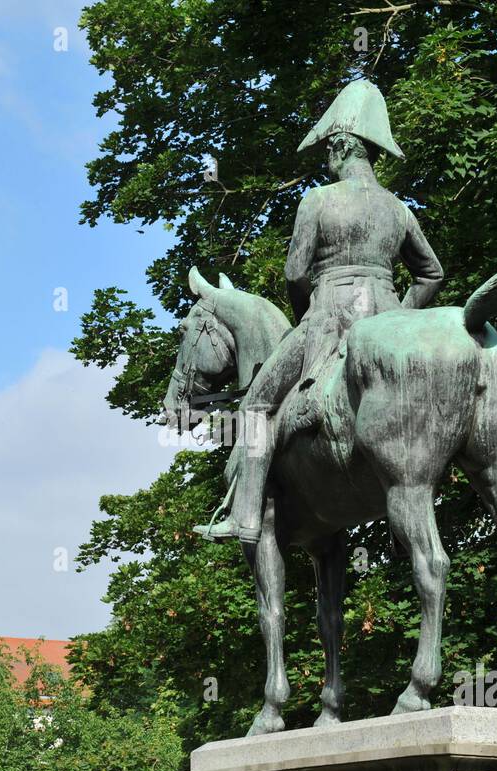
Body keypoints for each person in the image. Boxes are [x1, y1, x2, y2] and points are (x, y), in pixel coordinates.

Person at [196, 79, 444, 543]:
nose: (326, 157)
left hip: (326, 318)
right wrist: (401, 318)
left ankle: (245, 516)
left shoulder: (316, 200)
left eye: (330, 147)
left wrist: (306, 323)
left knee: (256, 403)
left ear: (346, 143)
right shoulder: (398, 209)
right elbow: (432, 274)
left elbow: (294, 273)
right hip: (387, 318)